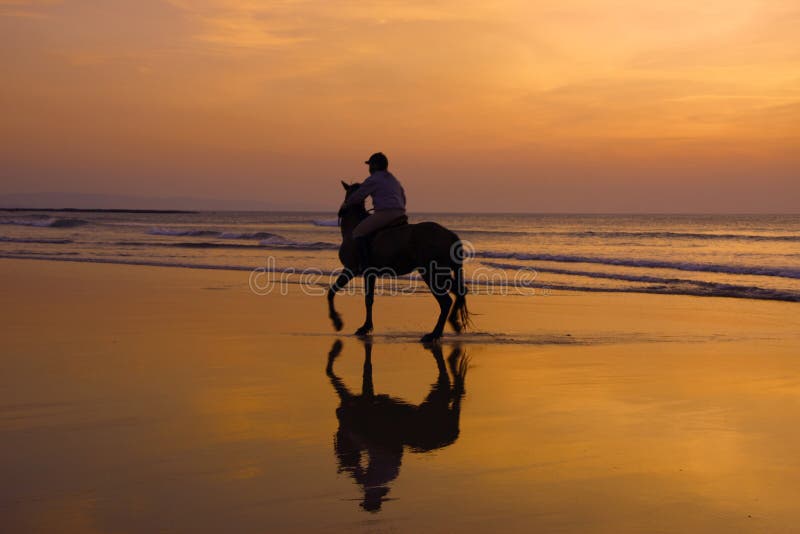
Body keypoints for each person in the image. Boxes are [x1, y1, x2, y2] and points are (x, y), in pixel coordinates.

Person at [342, 152, 407, 274]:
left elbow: (359, 196)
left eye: (370, 165)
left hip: (385, 214)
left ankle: (364, 266)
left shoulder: (374, 179)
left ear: (375, 166)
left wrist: (347, 204)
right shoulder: (393, 179)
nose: (369, 168)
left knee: (358, 232)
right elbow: (403, 198)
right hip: (401, 213)